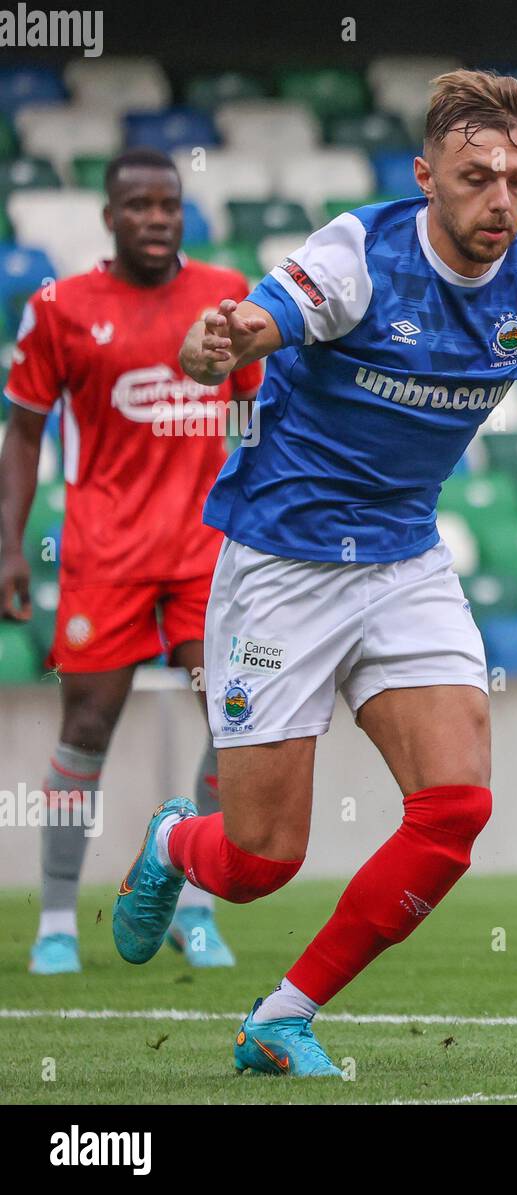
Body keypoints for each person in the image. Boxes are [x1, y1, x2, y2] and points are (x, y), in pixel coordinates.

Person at [111, 70, 517, 1076]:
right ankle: (172, 842)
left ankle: (282, 1016)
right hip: (281, 563)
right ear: (427, 176)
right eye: (476, 178)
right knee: (258, 861)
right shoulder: (360, 251)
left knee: (457, 808)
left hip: (403, 559)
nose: (500, 200)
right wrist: (221, 343)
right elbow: (254, 326)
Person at [0, 147, 261, 975]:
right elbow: (25, 432)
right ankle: (54, 923)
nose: (157, 218)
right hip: (103, 555)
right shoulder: (61, 307)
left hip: (204, 553)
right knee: (85, 728)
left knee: (233, 716)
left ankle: (195, 904)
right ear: (109, 217)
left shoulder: (227, 295)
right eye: (140, 206)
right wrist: (9, 542)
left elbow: (259, 416)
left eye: (170, 205)